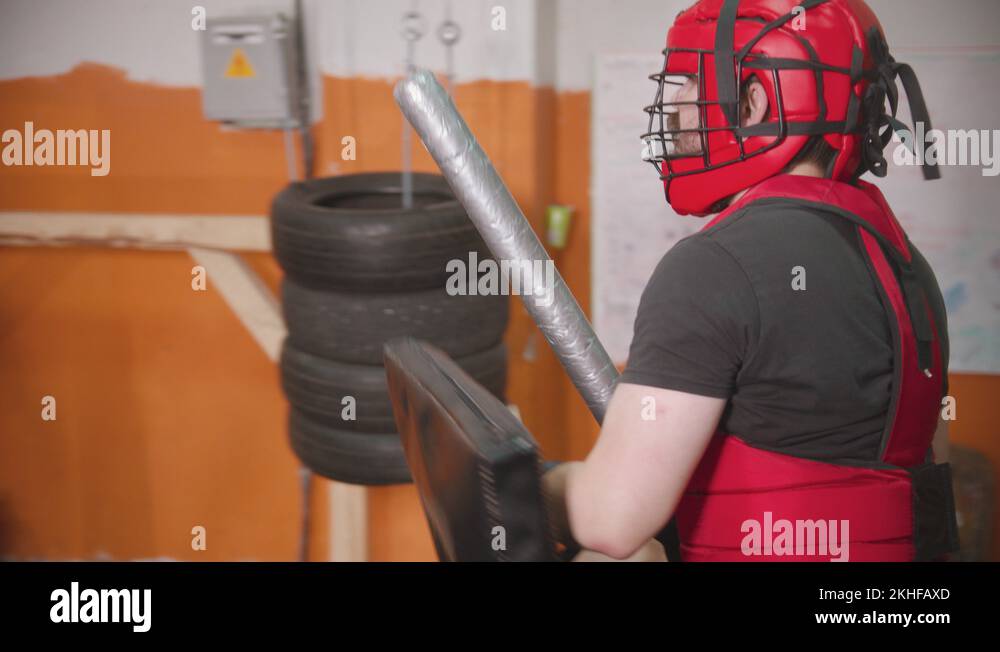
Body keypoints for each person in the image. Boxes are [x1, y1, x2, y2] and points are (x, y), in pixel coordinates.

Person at [544, 0, 959, 562]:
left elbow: (611, 520)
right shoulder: (907, 264)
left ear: (757, 100)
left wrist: (535, 479)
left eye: (690, 83)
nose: (675, 108)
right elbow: (920, 470)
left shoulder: (715, 264)